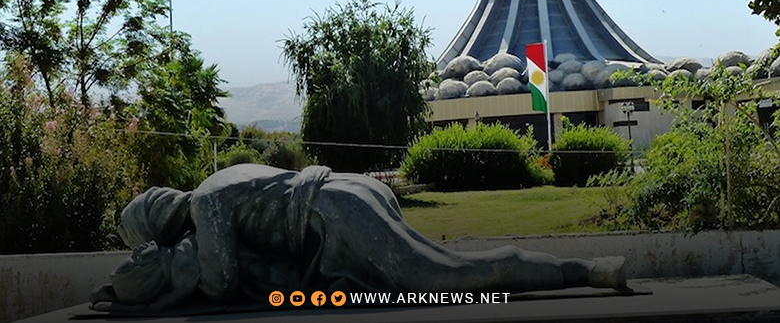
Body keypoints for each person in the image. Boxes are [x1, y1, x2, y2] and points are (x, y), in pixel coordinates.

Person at [92, 164, 626, 311]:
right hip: (343, 199)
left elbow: (222, 283)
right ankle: (582, 271)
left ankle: (584, 272)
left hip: (336, 212)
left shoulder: (206, 204)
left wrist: (159, 294)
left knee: (443, 278)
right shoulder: (214, 185)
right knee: (435, 271)